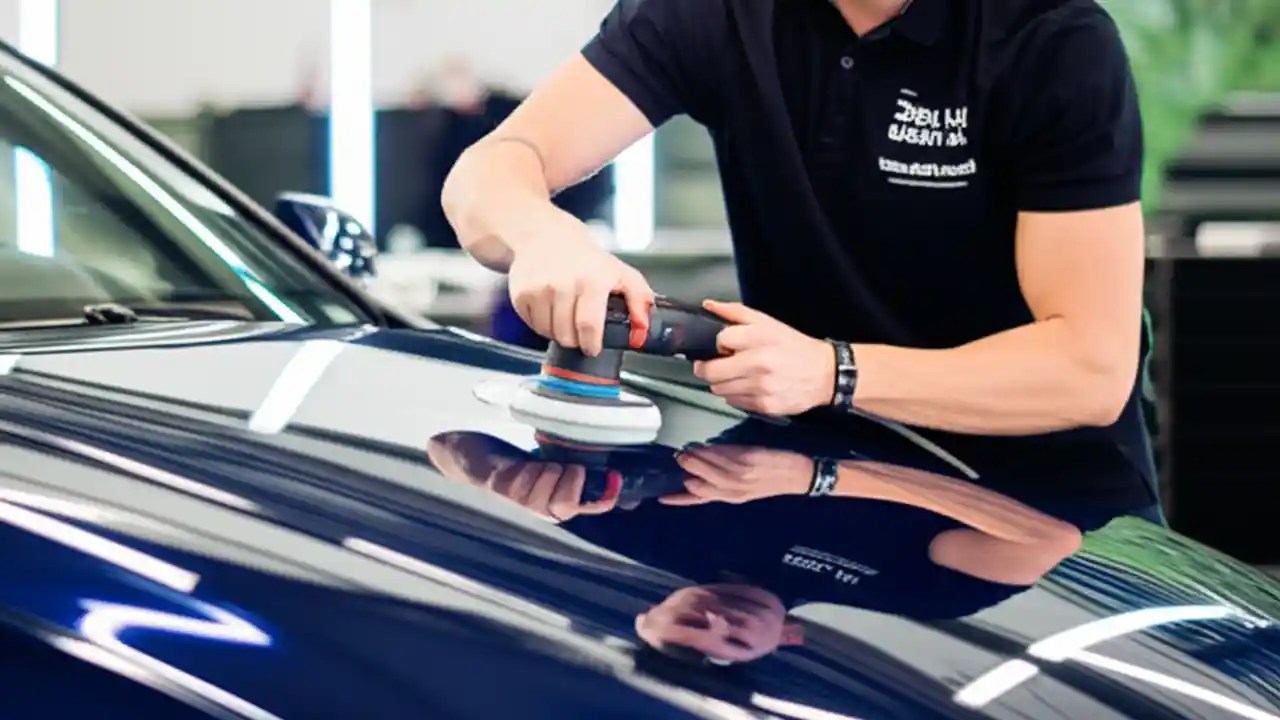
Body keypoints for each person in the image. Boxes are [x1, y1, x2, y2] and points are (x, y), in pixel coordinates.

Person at [442, 0, 1153, 484]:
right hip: (801, 477)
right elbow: (493, 167)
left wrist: (832, 372)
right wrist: (543, 235)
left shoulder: (1051, 39)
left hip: (1036, 510)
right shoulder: (718, 13)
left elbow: (1088, 368)